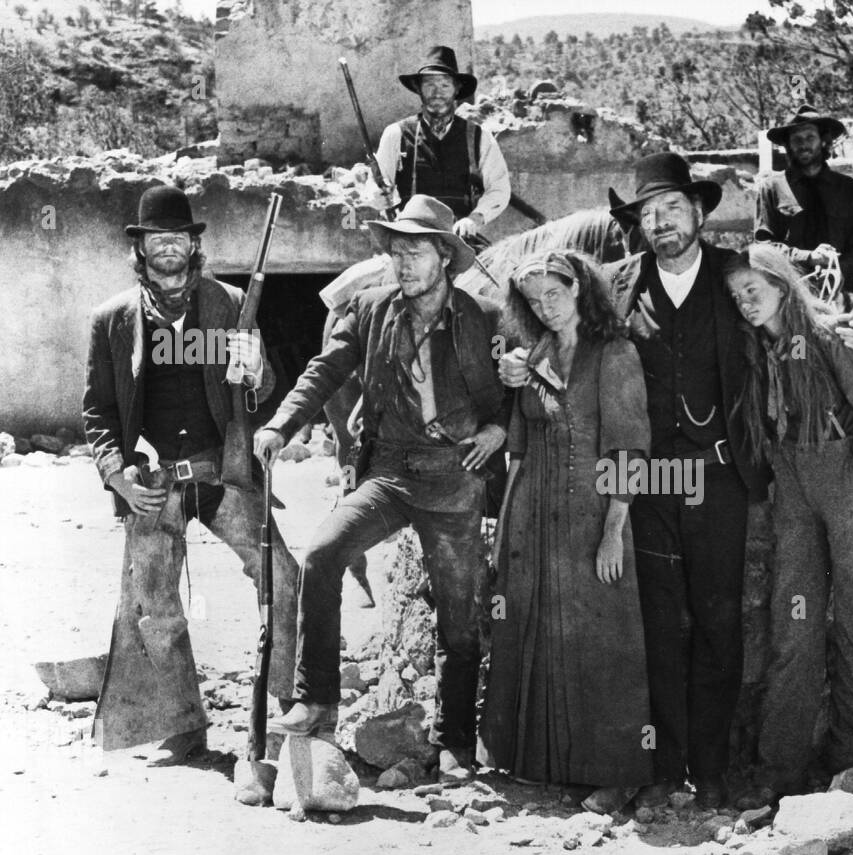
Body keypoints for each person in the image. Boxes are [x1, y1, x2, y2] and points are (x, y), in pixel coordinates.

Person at [500, 152, 765, 809]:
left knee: (718, 623)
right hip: (640, 487)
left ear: (700, 213)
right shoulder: (615, 285)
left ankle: (712, 767)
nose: (663, 222)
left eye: (674, 208)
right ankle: (662, 764)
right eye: (649, 214)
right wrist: (517, 364)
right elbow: (555, 326)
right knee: (657, 626)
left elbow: (787, 348)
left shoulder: (739, 278)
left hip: (716, 478)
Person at [253, 195, 508, 779]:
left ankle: (455, 742)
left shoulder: (483, 318)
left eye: (416, 251)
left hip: (454, 476)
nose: (404, 263)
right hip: (390, 471)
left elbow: (515, 390)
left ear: (444, 256)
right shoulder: (369, 310)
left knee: (459, 613)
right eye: (396, 252)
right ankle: (317, 698)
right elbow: (323, 372)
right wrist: (278, 424)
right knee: (322, 554)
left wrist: (497, 427)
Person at [84, 184, 298, 769]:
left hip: (223, 472)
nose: (169, 248)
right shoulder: (112, 321)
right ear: (142, 249)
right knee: (154, 605)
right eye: (158, 239)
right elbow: (97, 412)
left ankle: (286, 715)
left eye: (178, 237)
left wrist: (256, 373)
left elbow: (267, 386)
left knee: (281, 575)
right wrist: (117, 477)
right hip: (153, 482)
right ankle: (182, 727)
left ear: (192, 245)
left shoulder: (229, 305)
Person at [723, 245, 853, 805]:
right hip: (792, 485)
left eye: (754, 290)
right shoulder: (757, 349)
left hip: (845, 482)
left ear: (781, 285)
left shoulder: (827, 337)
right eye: (737, 296)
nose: (746, 303)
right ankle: (782, 768)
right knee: (792, 620)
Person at [482, 250, 654, 814]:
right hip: (535, 508)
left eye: (553, 294)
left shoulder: (616, 352)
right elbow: (518, 444)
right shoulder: (532, 353)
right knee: (539, 629)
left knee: (604, 637)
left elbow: (628, 451)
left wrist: (613, 531)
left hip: (593, 510)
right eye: (534, 301)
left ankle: (616, 772)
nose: (544, 307)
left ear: (579, 286)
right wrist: (510, 522)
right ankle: (542, 764)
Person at [374, 46, 511, 244]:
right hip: (409, 239)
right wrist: (379, 196)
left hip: (460, 240)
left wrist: (475, 218)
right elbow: (376, 186)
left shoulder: (480, 138)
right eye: (429, 84)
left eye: (445, 85)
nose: (437, 93)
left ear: (456, 90)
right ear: (419, 89)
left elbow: (499, 188)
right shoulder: (396, 134)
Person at [755, 105, 853, 296]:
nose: (803, 144)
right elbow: (764, 247)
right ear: (788, 145)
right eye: (796, 139)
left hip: (840, 289)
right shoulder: (772, 187)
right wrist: (809, 257)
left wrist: (838, 270)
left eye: (810, 137)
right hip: (789, 291)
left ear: (823, 142)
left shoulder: (848, 189)